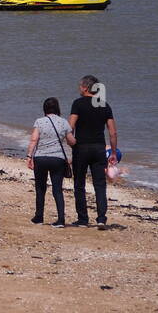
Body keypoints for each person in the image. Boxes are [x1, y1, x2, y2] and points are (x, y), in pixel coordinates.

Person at [68, 75, 119, 228]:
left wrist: (71, 143)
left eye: (80, 86)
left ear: (85, 87)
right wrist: (113, 152)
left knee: (79, 184)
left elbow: (70, 127)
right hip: (98, 148)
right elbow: (112, 132)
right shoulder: (104, 105)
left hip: (81, 147)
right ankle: (101, 218)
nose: (79, 88)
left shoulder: (78, 104)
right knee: (100, 185)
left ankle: (83, 219)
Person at [26, 97, 74, 227]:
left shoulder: (39, 121)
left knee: (40, 188)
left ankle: (39, 217)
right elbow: (71, 141)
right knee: (57, 190)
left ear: (44, 108)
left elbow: (34, 140)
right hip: (57, 159)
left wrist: (29, 156)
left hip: (40, 158)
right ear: (57, 108)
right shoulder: (63, 122)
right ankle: (61, 220)